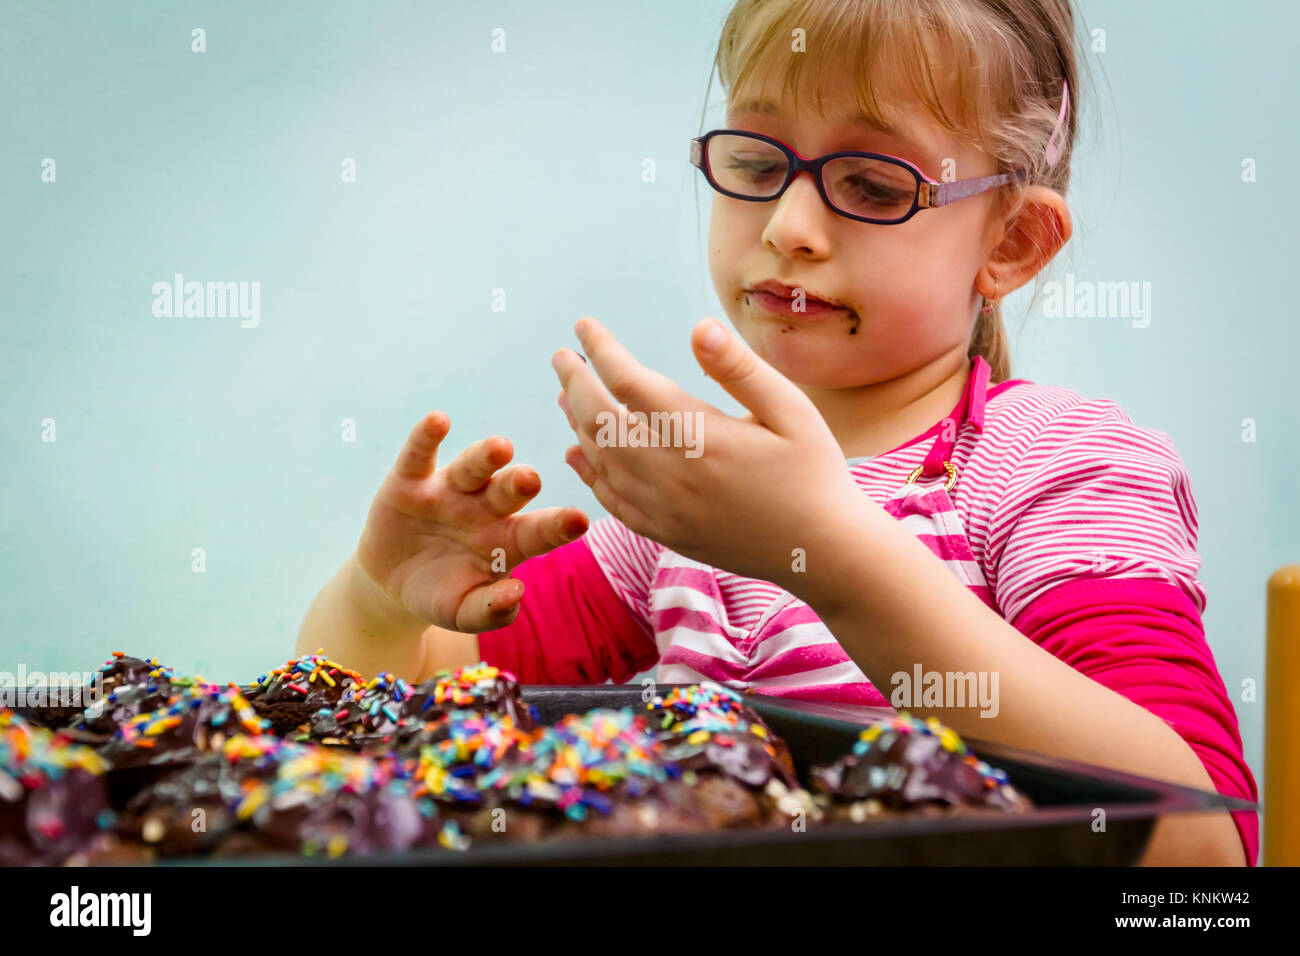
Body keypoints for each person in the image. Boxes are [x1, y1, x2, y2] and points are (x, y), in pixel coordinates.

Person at [298, 0, 1256, 865]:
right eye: (757, 164)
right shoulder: (688, 507)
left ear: (1010, 242)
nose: (791, 224)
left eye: (875, 187)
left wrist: (829, 556)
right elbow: (371, 750)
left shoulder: (1055, 469)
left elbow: (1199, 850)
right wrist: (381, 602)